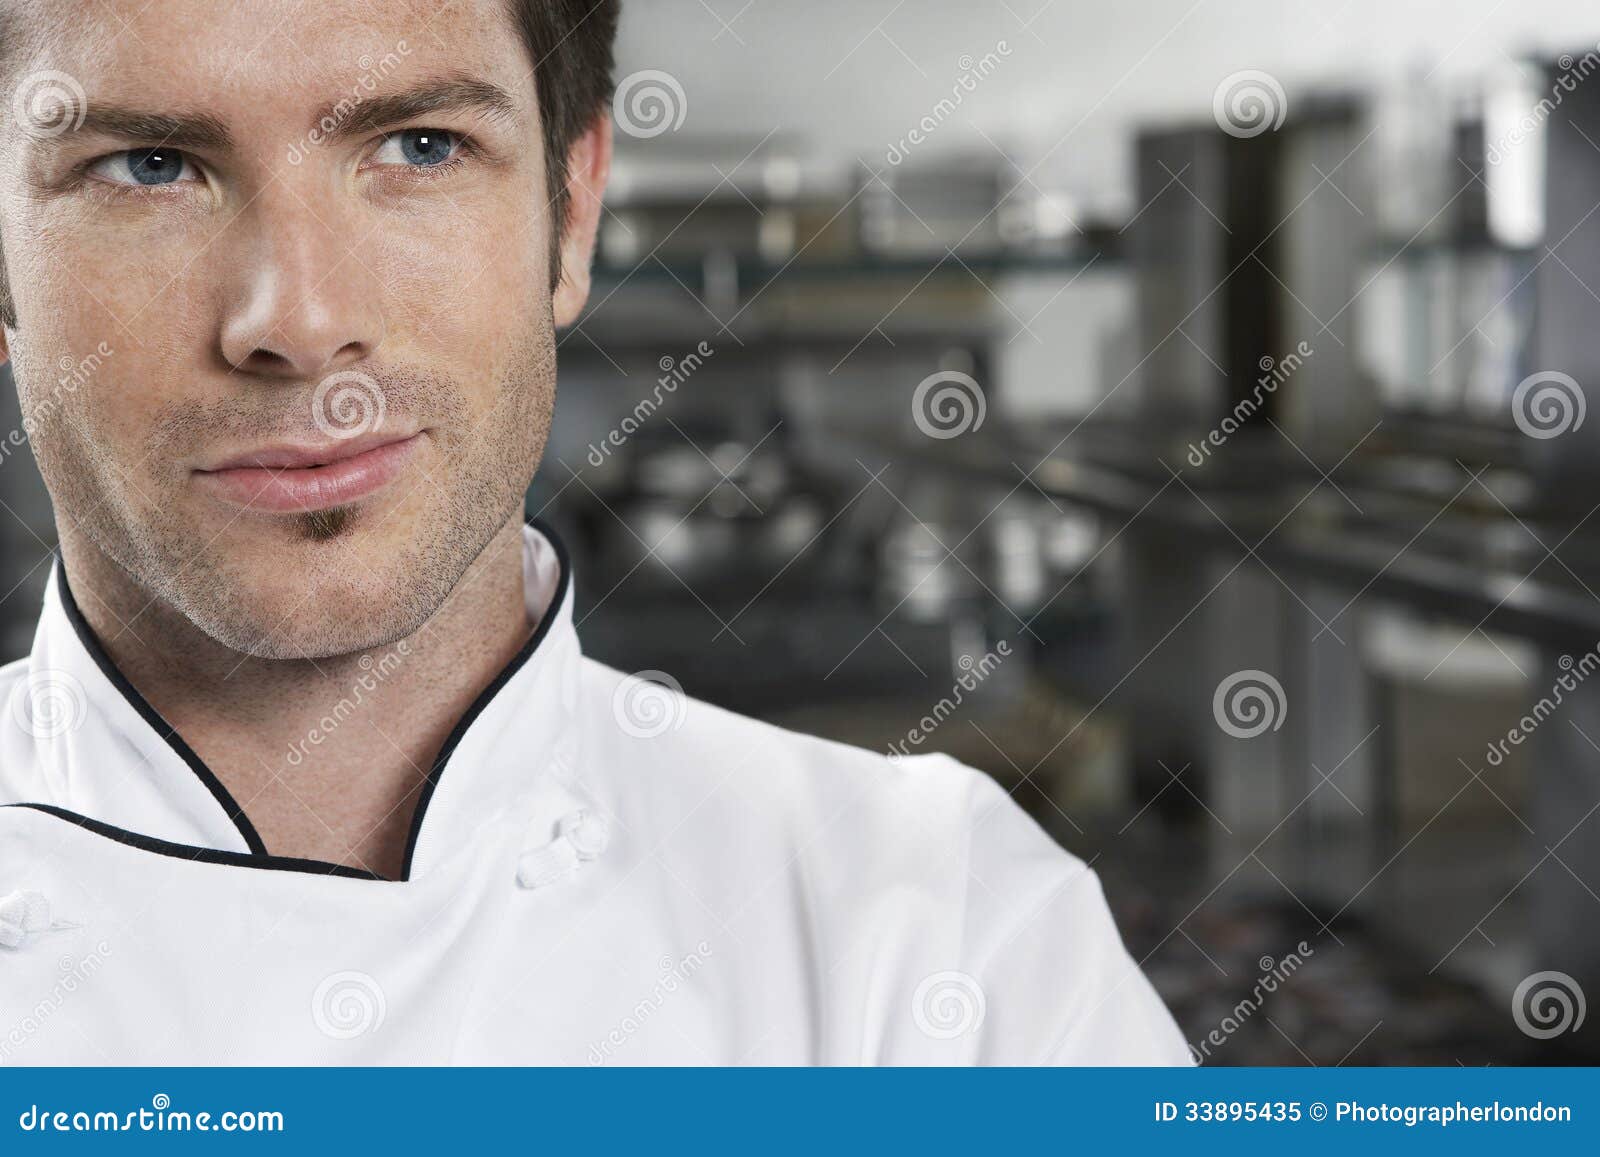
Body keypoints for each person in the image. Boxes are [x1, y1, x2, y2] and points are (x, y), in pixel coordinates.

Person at [0, 0, 1187, 1065]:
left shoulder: (948, 942)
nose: (300, 322)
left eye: (420, 147)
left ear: (569, 212)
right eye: (147, 165)